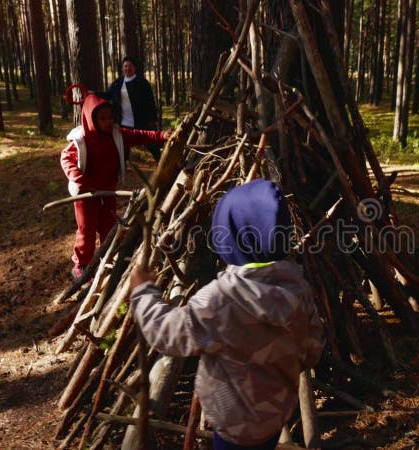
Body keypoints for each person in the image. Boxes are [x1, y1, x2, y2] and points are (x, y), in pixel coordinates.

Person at [128, 179, 324, 450]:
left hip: (233, 425)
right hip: (275, 415)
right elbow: (312, 350)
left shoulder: (220, 299)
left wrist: (143, 293)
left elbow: (166, 334)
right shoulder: (298, 290)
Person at [60, 93, 170, 279]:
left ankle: (106, 258)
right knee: (86, 230)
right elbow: (66, 159)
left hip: (108, 191)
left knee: (108, 227)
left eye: (110, 117)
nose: (108, 122)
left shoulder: (116, 134)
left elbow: (137, 135)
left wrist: (160, 135)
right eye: (102, 119)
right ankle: (82, 264)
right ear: (91, 118)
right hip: (86, 194)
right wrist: (79, 179)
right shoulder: (81, 139)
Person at [105, 56, 162, 162]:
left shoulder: (142, 82)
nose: (128, 68)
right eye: (125, 66)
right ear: (122, 68)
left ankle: (166, 168)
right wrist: (92, 94)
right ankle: (122, 173)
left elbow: (150, 102)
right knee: (123, 151)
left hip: (142, 123)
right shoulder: (118, 83)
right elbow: (107, 95)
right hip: (124, 123)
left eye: (130, 66)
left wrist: (152, 120)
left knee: (153, 148)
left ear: (134, 68)